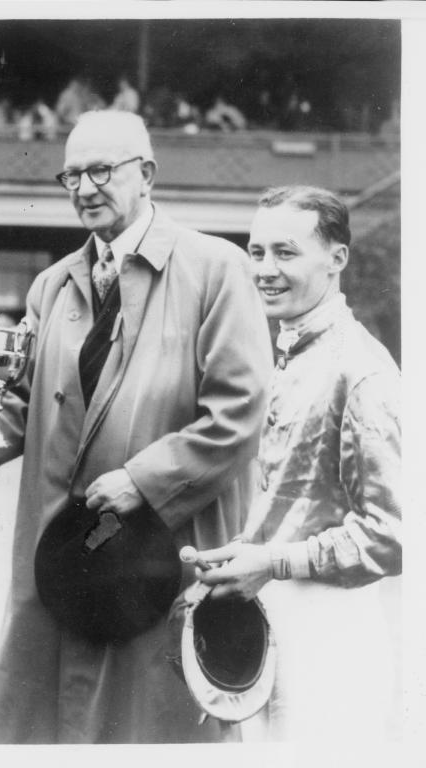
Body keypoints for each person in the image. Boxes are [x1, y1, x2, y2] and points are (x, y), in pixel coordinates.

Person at [0, 110, 272, 743]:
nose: (85, 188)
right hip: (62, 559)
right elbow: (11, 404)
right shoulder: (51, 287)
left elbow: (239, 412)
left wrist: (144, 480)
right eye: (72, 175)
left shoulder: (215, 270)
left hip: (160, 557)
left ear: (147, 175)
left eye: (101, 171)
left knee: (146, 726)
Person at [190, 186, 401, 741]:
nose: (265, 269)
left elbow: (397, 535)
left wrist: (275, 562)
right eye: (256, 252)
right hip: (266, 634)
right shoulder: (281, 355)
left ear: (337, 259)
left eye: (285, 253)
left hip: (331, 644)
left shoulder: (362, 370)